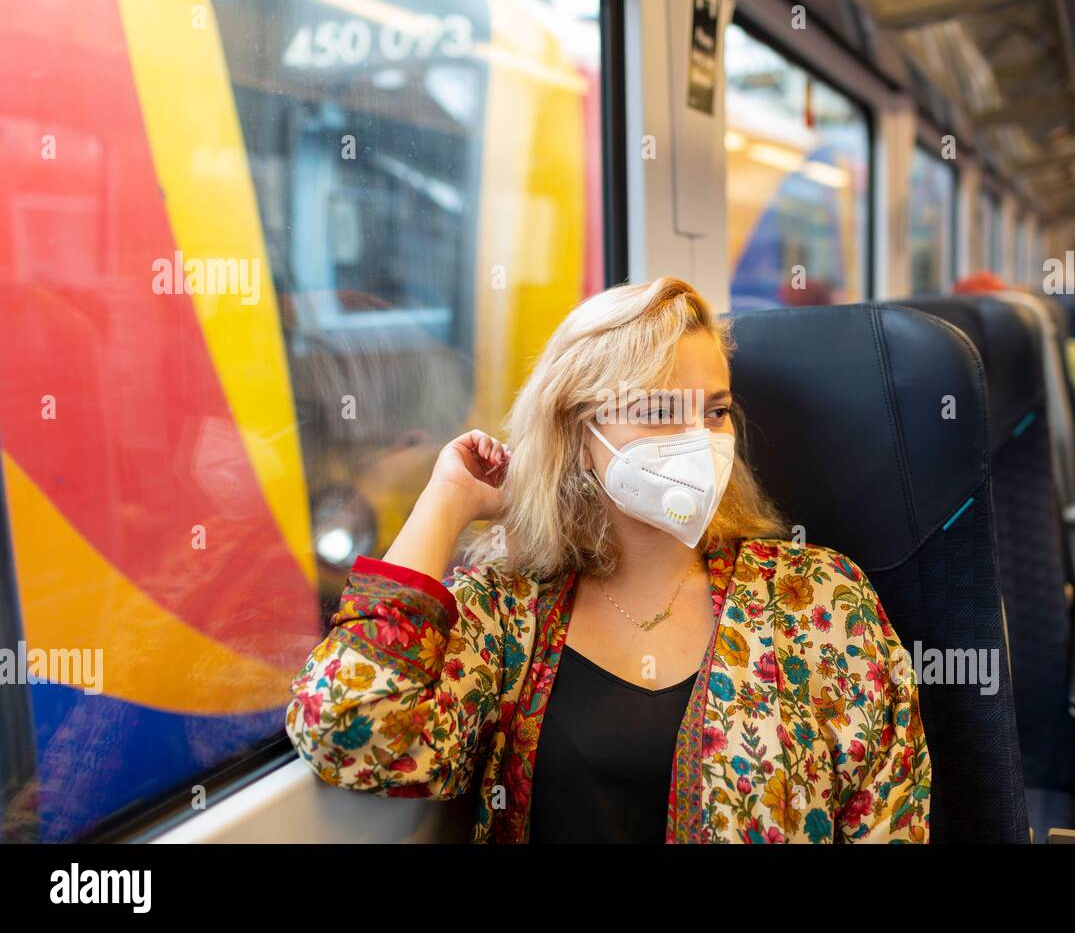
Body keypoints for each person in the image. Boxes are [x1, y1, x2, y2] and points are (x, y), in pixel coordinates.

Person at [285, 276, 931, 843]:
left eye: (716, 412)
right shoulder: (509, 612)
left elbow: (887, 822)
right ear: (577, 432)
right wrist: (447, 501)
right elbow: (346, 725)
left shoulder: (820, 601)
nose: (698, 440)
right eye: (659, 411)